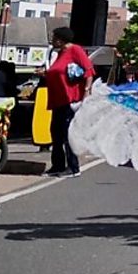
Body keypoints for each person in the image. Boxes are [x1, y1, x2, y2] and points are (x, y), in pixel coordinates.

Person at [38, 26, 94, 177]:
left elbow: (88, 70)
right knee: (56, 133)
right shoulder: (60, 53)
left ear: (61, 39)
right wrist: (46, 73)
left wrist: (86, 91)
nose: (52, 40)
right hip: (58, 100)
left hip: (70, 99)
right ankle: (58, 165)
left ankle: (73, 167)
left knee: (67, 133)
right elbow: (60, 72)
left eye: (54, 37)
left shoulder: (75, 50)